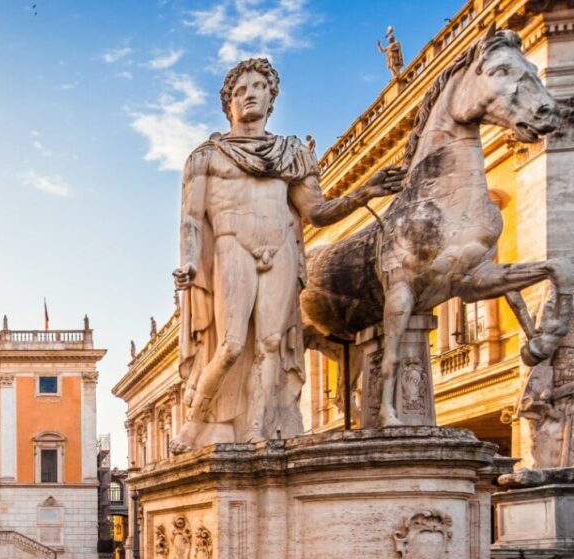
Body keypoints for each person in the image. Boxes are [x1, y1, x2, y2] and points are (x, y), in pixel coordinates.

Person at [171, 58, 403, 452]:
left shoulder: (291, 154)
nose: (249, 95)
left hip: (279, 247)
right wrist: (190, 262)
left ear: (271, 98)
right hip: (231, 245)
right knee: (230, 344)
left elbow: (317, 213)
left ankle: (256, 431)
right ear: (228, 103)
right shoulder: (206, 157)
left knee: (271, 344)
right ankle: (195, 424)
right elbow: (191, 219)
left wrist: (364, 192)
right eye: (240, 91)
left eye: (258, 88)